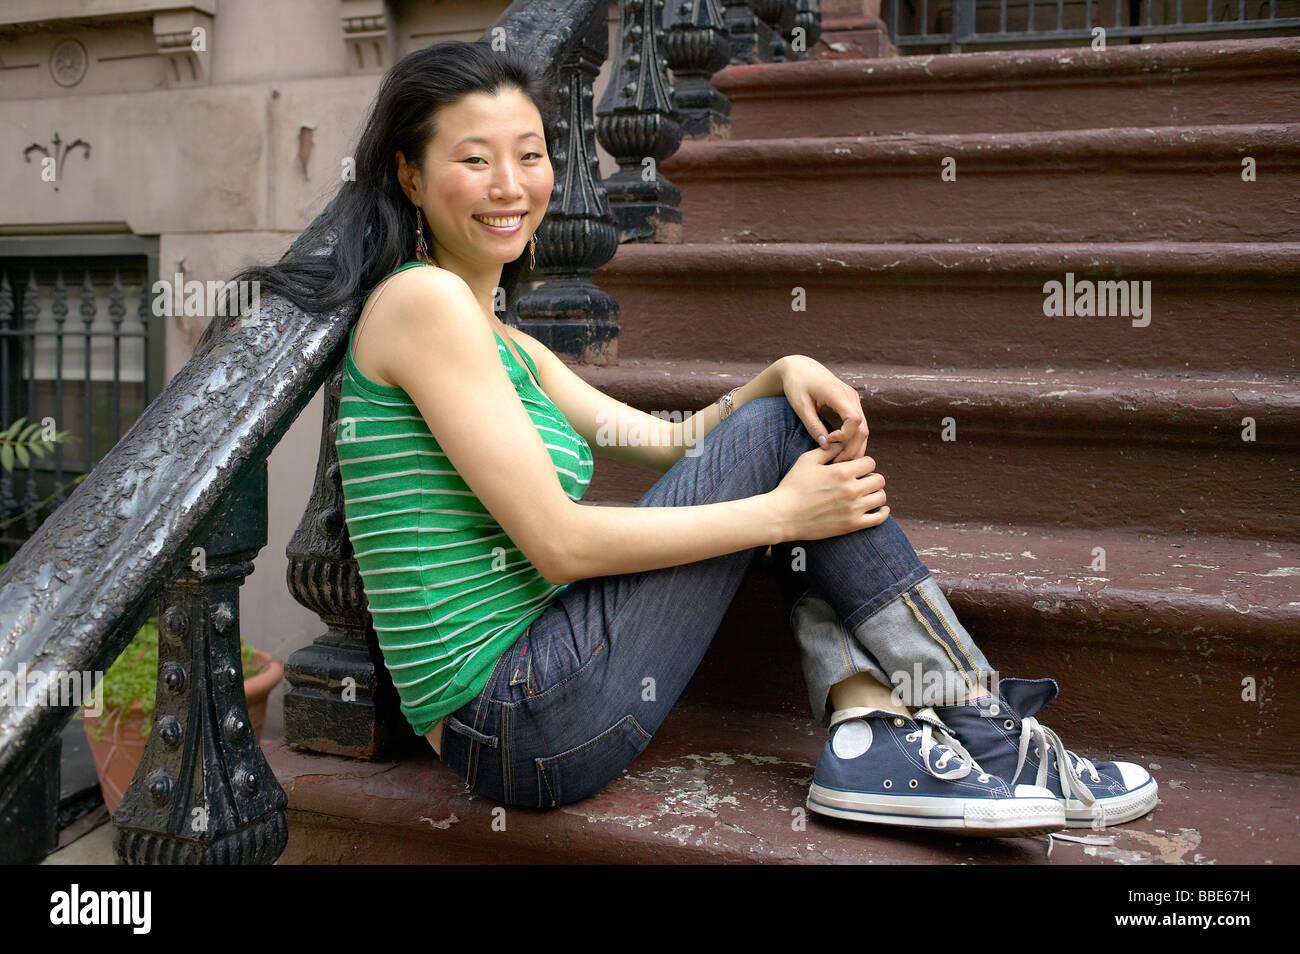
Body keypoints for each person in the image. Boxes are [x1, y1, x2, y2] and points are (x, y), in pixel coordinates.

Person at [230, 40, 1157, 838]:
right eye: (476, 161)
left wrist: (778, 370)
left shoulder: (502, 340)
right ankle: (972, 723)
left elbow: (668, 441)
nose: (512, 186)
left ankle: (867, 724)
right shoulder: (422, 304)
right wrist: (778, 509)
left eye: (532, 153)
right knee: (783, 461)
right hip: (517, 718)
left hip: (537, 698)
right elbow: (559, 539)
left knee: (780, 431)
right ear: (409, 174)